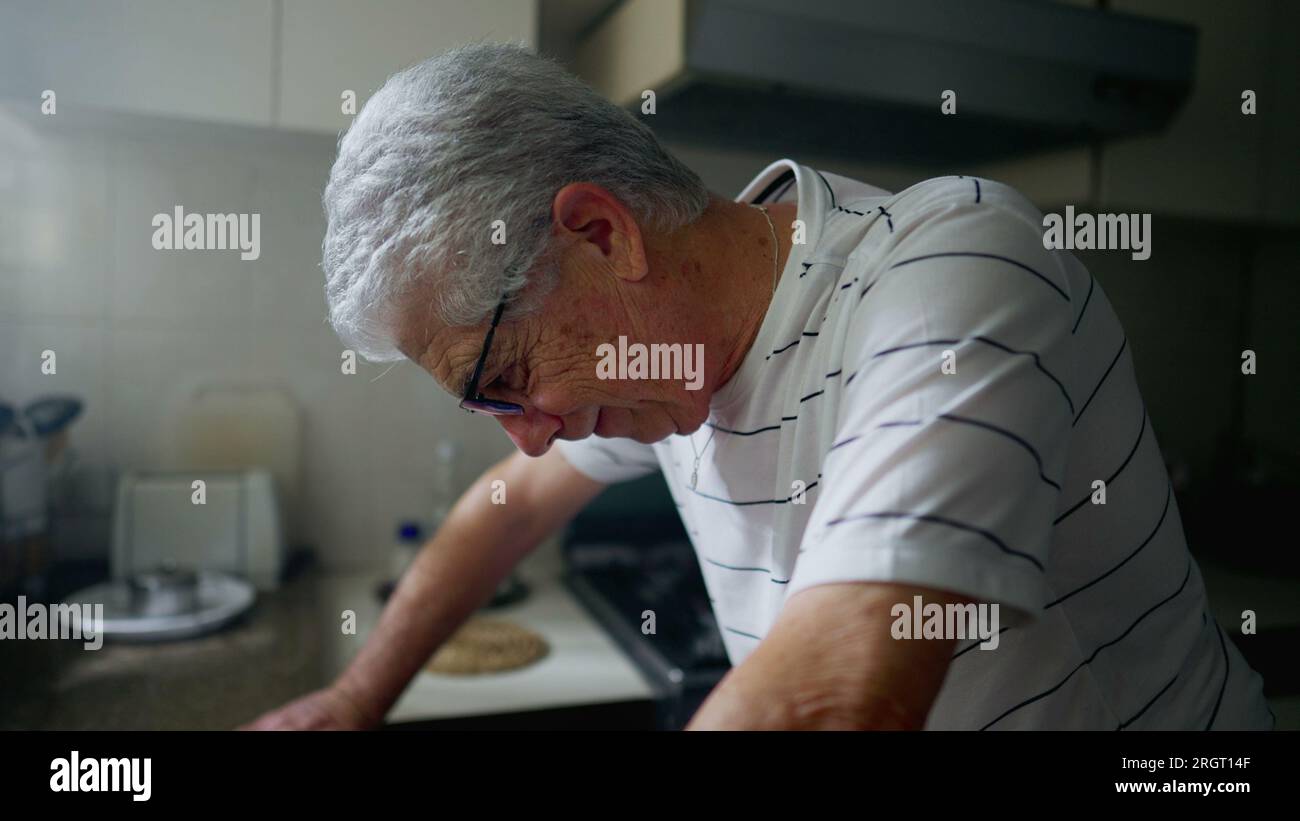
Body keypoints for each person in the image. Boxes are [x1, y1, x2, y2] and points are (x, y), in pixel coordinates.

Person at [244, 43, 1271, 730]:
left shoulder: (951, 274)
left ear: (602, 235)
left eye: (505, 381)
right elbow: (503, 509)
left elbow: (838, 685)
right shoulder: (661, 363)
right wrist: (350, 699)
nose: (529, 438)